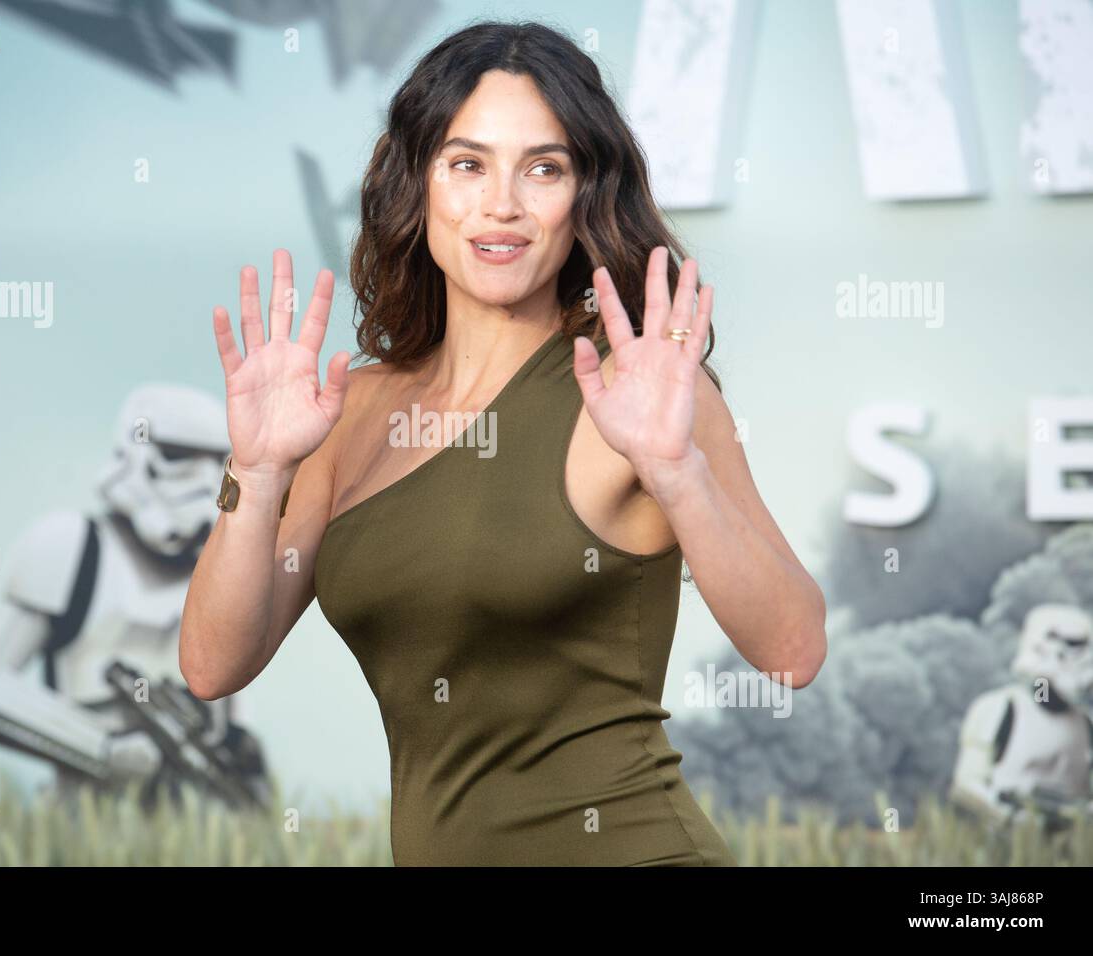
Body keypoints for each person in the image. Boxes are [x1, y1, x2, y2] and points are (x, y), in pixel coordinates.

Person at [180, 20, 828, 866]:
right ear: (418, 185)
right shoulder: (351, 416)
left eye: (544, 169)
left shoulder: (638, 392)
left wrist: (677, 470)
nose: (503, 206)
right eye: (467, 163)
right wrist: (258, 474)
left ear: (583, 197)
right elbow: (211, 665)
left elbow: (794, 650)